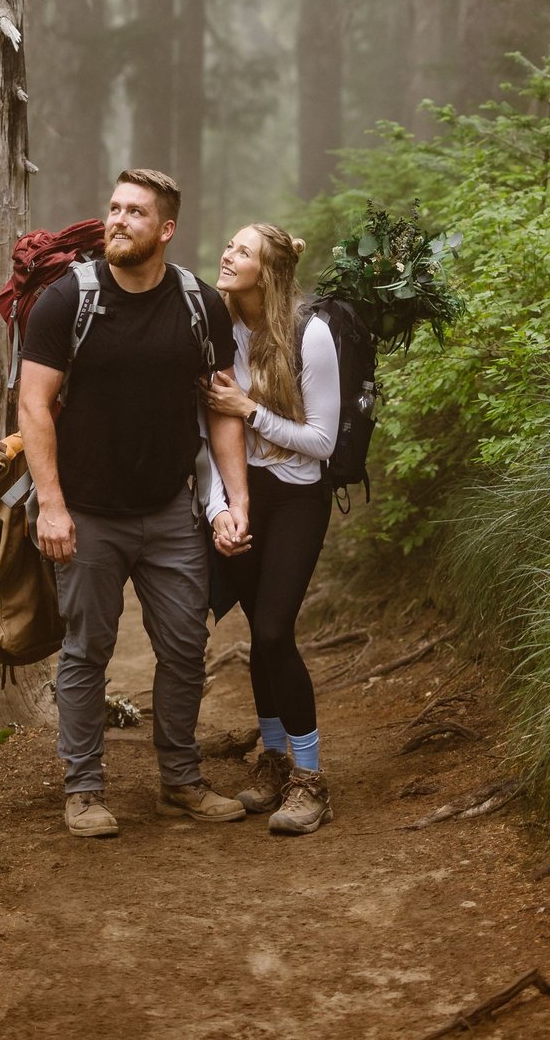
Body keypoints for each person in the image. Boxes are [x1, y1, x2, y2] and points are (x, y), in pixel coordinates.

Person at [18, 168, 252, 840]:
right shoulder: (69, 300)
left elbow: (223, 407)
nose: (118, 221)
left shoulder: (198, 305)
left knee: (185, 648)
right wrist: (52, 505)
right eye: (114, 209)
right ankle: (84, 789)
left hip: (169, 511)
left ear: (166, 228)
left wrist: (235, 502)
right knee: (87, 651)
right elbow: (33, 405)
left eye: (136, 213)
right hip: (87, 512)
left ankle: (180, 781)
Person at [204, 221, 339, 837]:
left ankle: (310, 779)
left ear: (271, 270)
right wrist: (220, 510)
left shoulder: (309, 336)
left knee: (276, 628)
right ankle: (275, 757)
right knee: (258, 633)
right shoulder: (218, 330)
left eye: (243, 251)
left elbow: (321, 442)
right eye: (229, 246)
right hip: (243, 495)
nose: (229, 255)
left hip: (297, 499)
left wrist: (251, 409)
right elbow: (207, 437)